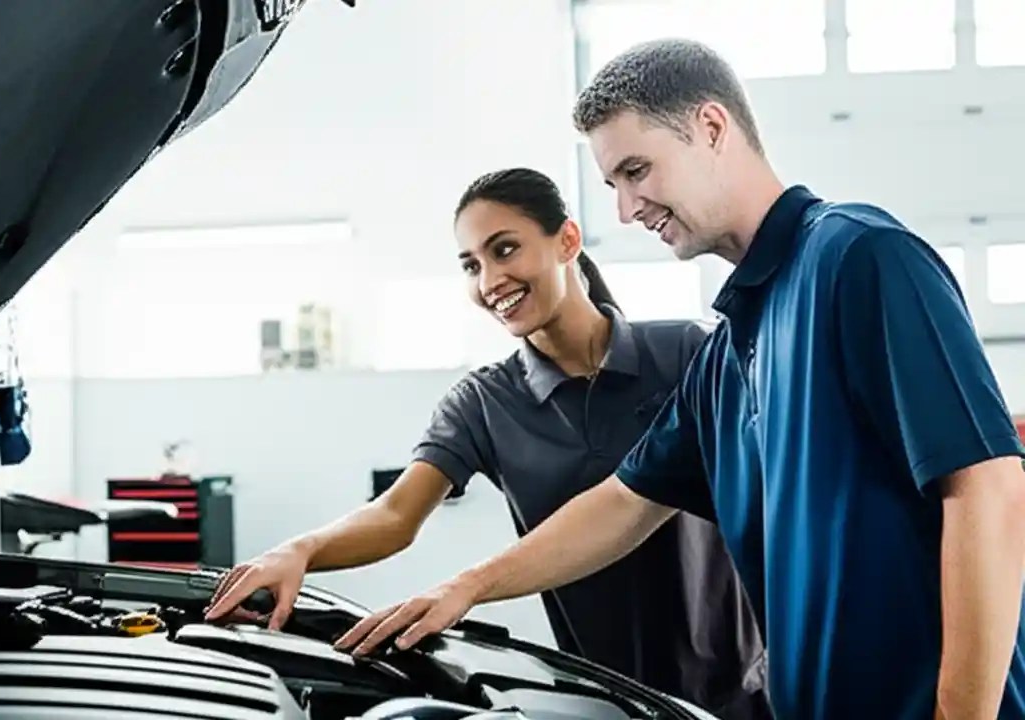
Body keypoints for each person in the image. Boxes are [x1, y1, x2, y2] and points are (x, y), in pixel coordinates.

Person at [334, 37, 1025, 720]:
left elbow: (989, 488)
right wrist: (469, 586)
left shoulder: (858, 260)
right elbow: (624, 504)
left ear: (711, 127)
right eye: (614, 185)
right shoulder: (726, 356)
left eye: (638, 171)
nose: (629, 209)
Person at [204, 167, 772, 718]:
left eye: (504, 250)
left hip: (743, 692)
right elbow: (396, 515)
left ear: (567, 239)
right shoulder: (483, 402)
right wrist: (299, 551)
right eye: (470, 264)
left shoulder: (686, 354)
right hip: (605, 697)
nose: (488, 281)